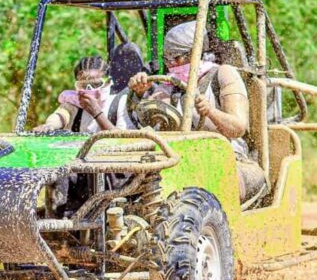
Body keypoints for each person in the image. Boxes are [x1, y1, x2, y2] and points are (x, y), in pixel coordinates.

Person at [128, 21, 266, 204]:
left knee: (209, 181)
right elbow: (149, 125)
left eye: (178, 58)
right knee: (134, 185)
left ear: (195, 53)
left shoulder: (223, 74)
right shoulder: (168, 84)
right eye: (167, 59)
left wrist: (210, 112)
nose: (172, 64)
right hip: (179, 160)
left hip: (229, 158)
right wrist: (140, 94)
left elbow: (238, 128)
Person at [34, 56, 133, 133]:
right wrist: (49, 125)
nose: (89, 90)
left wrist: (96, 113)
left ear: (108, 82)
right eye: (84, 85)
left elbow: (122, 139)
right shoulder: (75, 101)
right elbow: (61, 115)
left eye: (96, 84)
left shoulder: (119, 102)